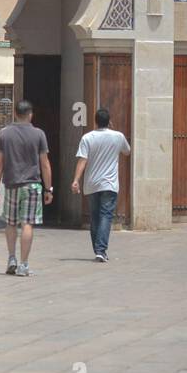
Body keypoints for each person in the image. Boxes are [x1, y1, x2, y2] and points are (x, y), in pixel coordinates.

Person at [0, 99, 53, 277]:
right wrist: (48, 189)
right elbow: (45, 164)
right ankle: (24, 264)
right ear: (30, 114)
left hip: (11, 184)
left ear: (15, 114)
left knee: (10, 223)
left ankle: (12, 258)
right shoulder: (39, 134)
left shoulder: (4, 134)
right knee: (27, 224)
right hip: (32, 185)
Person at [71, 107, 131, 262]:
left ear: (95, 121)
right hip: (110, 184)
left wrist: (76, 180)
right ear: (109, 121)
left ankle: (98, 250)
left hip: (91, 184)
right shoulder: (118, 136)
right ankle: (101, 250)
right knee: (106, 216)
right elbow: (127, 151)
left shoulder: (87, 138)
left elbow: (82, 160)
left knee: (95, 217)